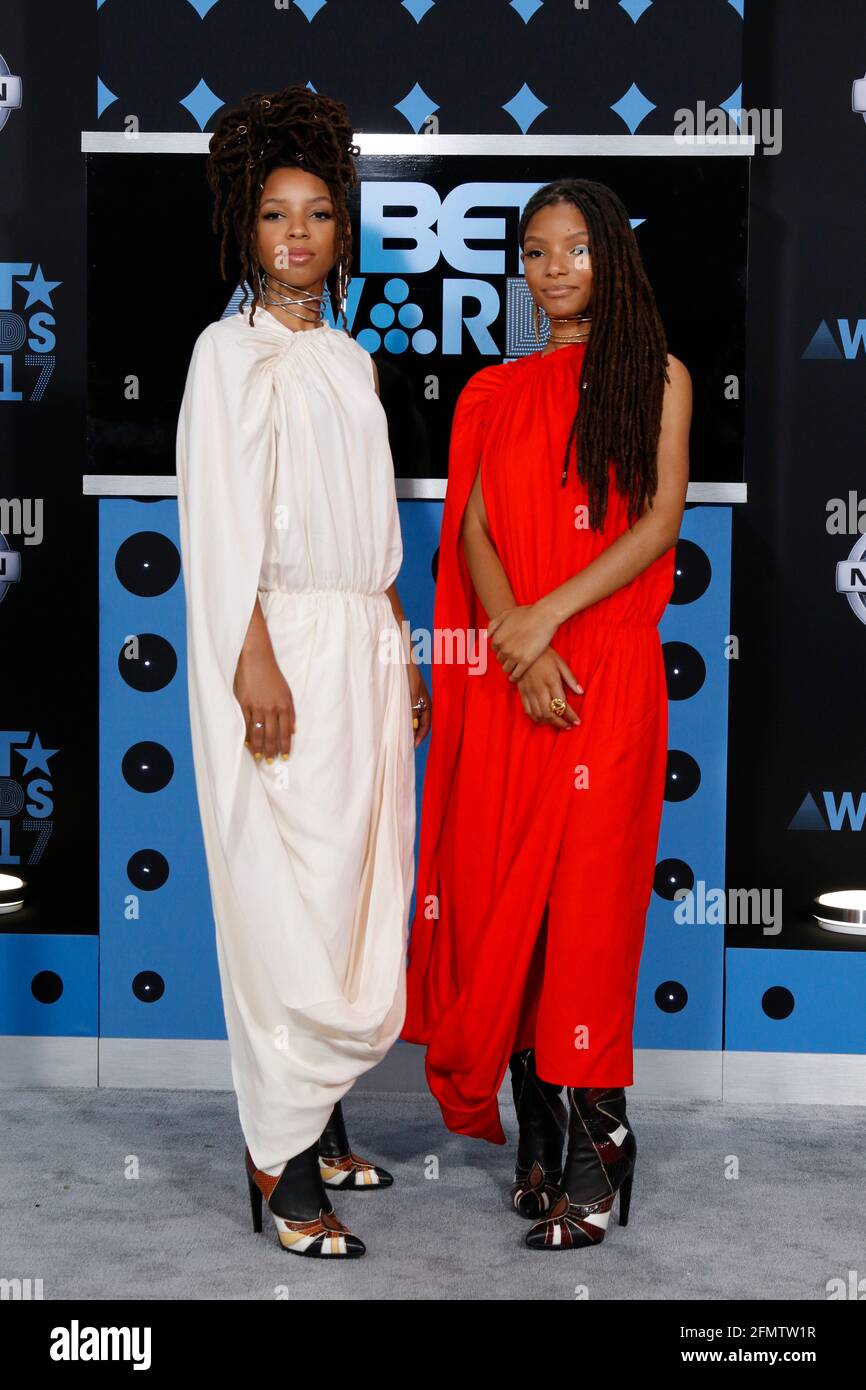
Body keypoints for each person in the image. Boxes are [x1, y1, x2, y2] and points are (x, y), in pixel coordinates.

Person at [401, 178, 691, 1251]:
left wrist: (547, 619)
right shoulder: (492, 393)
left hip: (604, 676)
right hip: (515, 677)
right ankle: (536, 1140)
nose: (553, 268)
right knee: (505, 912)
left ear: (611, 260)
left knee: (587, 914)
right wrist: (512, 640)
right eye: (533, 252)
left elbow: (659, 520)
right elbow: (471, 529)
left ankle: (599, 1150)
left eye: (575, 249)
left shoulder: (657, 377)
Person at [175, 86, 430, 1259]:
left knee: (349, 890)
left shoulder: (350, 359)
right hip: (269, 641)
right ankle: (277, 1163)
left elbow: (371, 522)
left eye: (317, 215)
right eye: (275, 214)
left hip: (359, 648)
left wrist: (399, 638)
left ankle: (321, 1123)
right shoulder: (223, 358)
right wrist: (251, 659)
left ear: (341, 233)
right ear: (245, 228)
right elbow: (217, 529)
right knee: (286, 897)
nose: (296, 235)